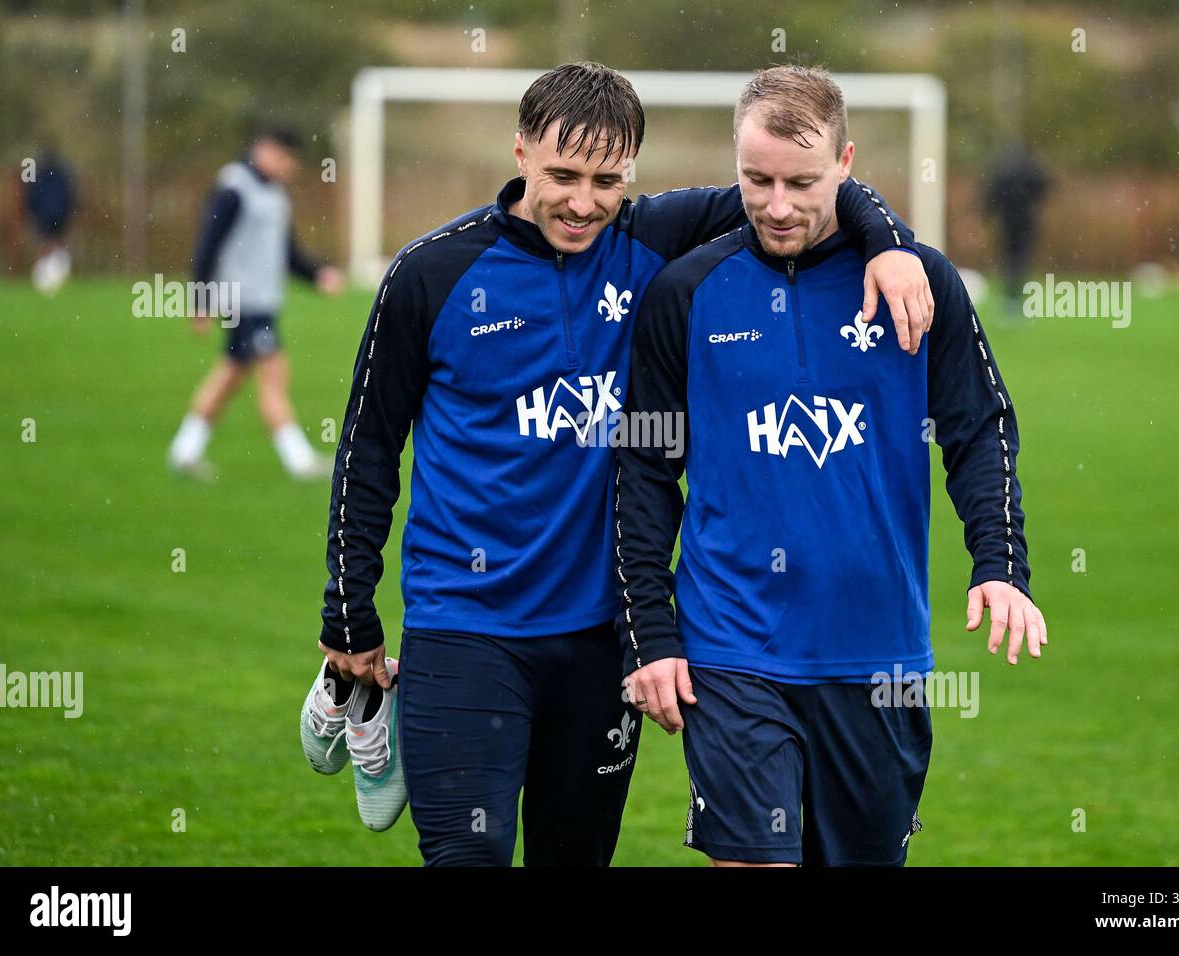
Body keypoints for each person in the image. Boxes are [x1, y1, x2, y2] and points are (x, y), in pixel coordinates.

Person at [309, 61, 935, 866]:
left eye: (607, 180)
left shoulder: (652, 240)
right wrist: (349, 611)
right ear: (520, 149)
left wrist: (886, 245)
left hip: (603, 643)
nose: (582, 202)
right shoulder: (432, 275)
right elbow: (368, 447)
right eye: (562, 174)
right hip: (464, 628)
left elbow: (803, 185)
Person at [614, 65, 1047, 867]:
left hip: (877, 653)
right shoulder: (685, 294)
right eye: (757, 180)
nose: (778, 205)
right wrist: (653, 633)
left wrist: (1000, 563)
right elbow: (642, 471)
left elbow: (978, 429)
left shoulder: (922, 285)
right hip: (732, 645)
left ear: (847, 166)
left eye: (802, 182)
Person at [167, 126, 344, 480]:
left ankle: (184, 450)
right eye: (285, 156)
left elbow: (286, 252)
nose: (289, 165)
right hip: (239, 301)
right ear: (265, 150)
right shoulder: (234, 188)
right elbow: (207, 246)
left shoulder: (276, 195)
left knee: (230, 375)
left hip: (262, 302)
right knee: (273, 371)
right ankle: (298, 460)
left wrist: (316, 274)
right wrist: (200, 301)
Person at [984, 142, 1050, 314]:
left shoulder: (1004, 172)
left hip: (1007, 221)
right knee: (1020, 258)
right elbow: (1044, 186)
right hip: (1025, 220)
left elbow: (992, 194)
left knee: (1009, 258)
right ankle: (1016, 296)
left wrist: (986, 214)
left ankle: (1010, 296)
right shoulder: (1030, 170)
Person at [24, 145, 77, 296]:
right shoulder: (62, 173)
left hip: (43, 215)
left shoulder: (39, 173)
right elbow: (70, 194)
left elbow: (31, 196)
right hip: (59, 214)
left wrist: (33, 211)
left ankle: (45, 279)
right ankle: (55, 278)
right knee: (57, 245)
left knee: (44, 246)